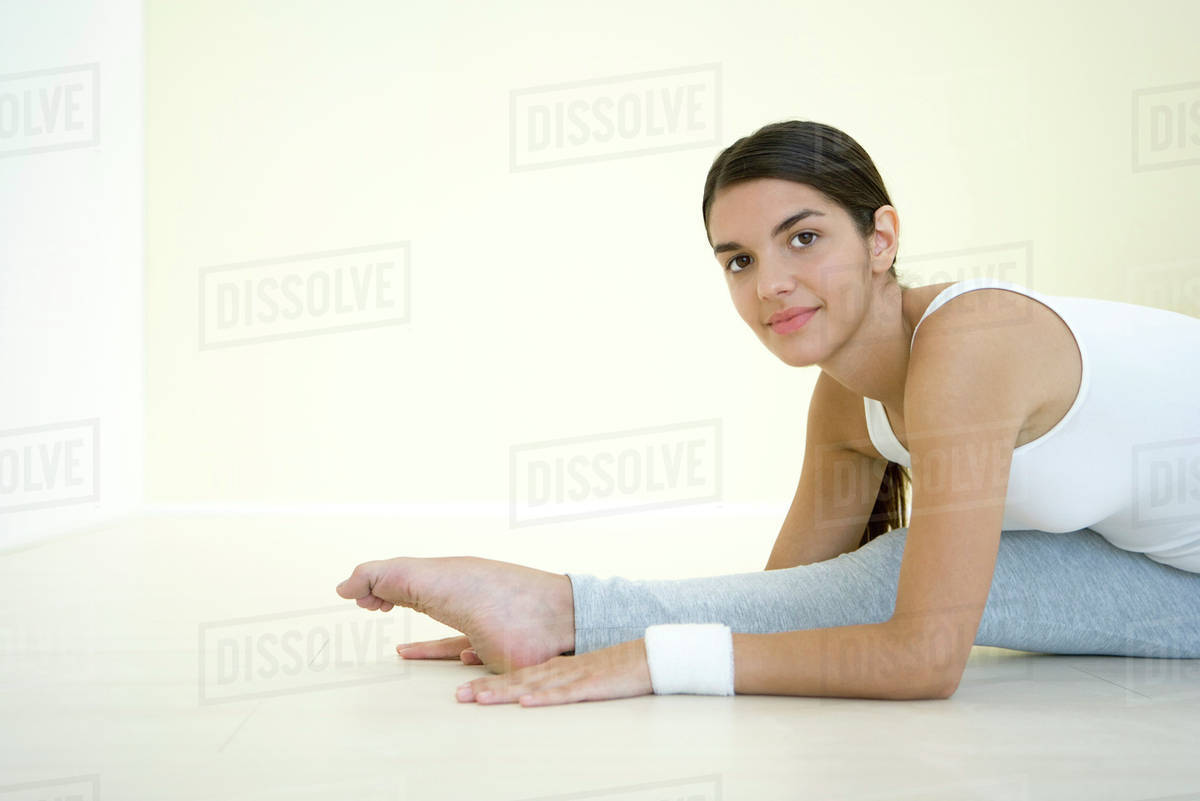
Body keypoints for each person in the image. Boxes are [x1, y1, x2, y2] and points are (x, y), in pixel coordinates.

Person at [335, 120, 1200, 708]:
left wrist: (646, 651)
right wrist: (581, 636)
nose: (770, 283)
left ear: (882, 238)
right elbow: (787, 600)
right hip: (1171, 576)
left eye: (804, 237)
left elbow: (927, 659)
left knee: (916, 582)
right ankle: (559, 610)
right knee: (904, 576)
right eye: (739, 259)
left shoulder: (974, 342)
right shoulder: (846, 399)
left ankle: (560, 604)